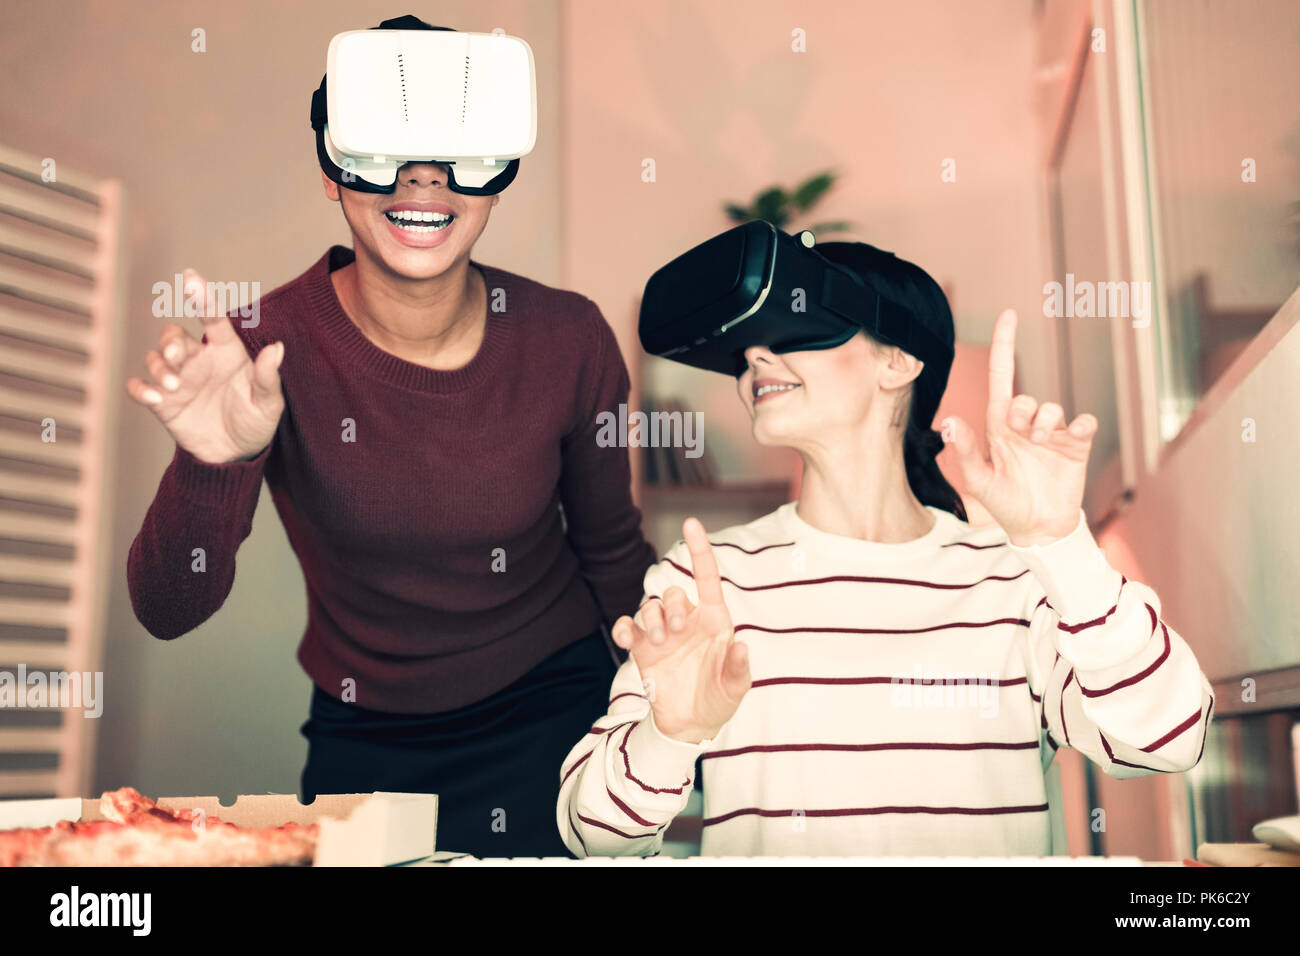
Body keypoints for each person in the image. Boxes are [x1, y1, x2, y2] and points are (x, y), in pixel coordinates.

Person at [124, 17, 655, 858]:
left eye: (456, 152)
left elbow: (612, 552)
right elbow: (166, 610)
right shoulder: (257, 345)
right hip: (364, 731)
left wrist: (669, 722)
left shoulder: (567, 338)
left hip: (554, 713)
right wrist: (211, 460)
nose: (422, 179)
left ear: (497, 170)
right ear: (332, 168)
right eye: (387, 149)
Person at [558, 241, 1214, 857]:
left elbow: (1169, 741)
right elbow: (592, 836)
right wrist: (670, 735)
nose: (756, 355)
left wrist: (1060, 543)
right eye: (745, 347)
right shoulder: (706, 582)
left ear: (896, 360)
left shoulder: (1015, 580)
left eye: (793, 326)